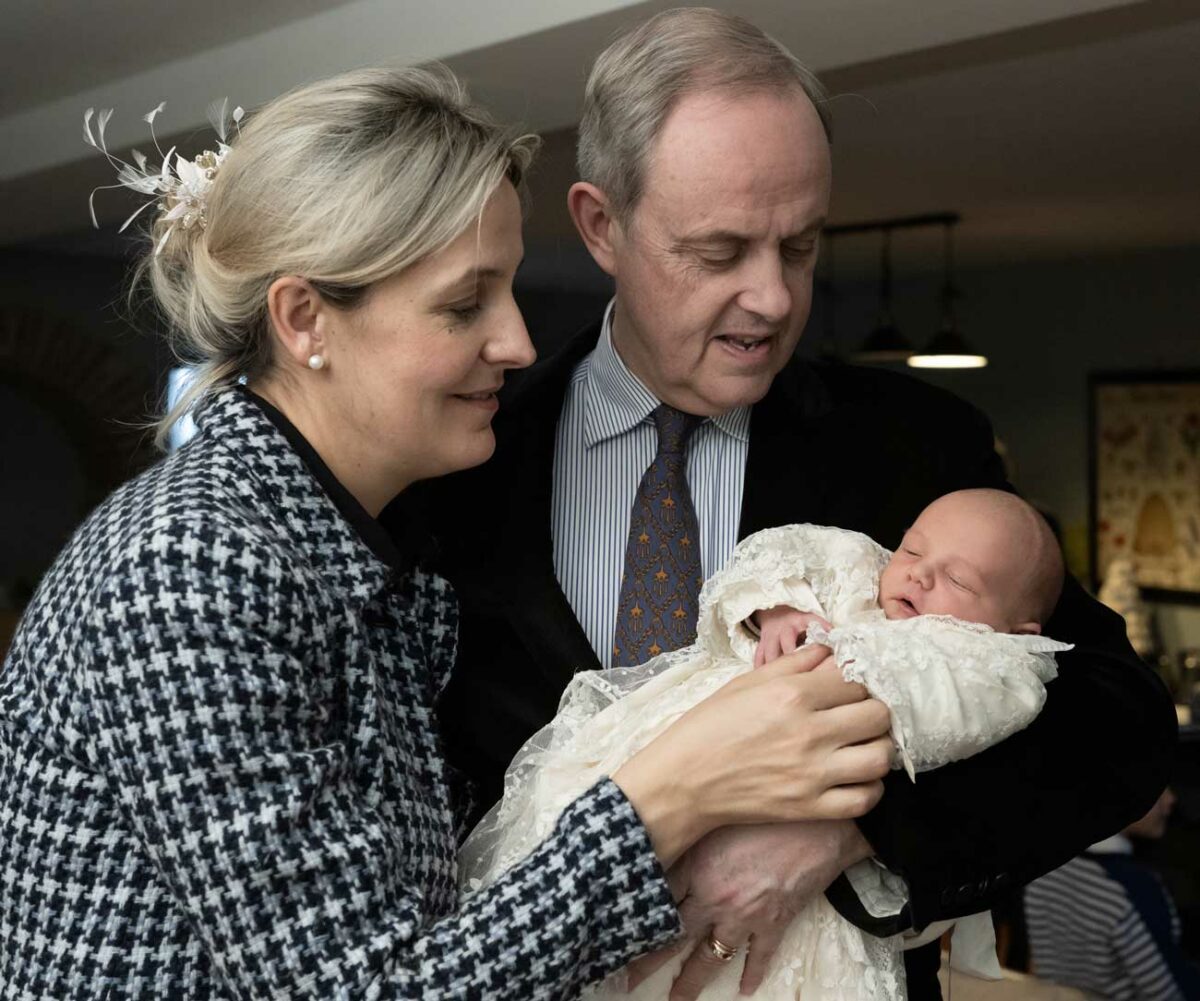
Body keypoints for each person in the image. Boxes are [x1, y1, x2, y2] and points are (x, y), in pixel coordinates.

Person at [0, 66, 899, 999]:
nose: (518, 343)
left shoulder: (373, 547)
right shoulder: (189, 570)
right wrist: (675, 785)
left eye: (508, 290)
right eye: (465, 304)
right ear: (305, 320)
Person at [390, 8, 1177, 999]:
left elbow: (1117, 717)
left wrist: (851, 829)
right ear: (601, 225)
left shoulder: (916, 443)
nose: (771, 298)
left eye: (799, 247)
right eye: (720, 252)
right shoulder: (458, 464)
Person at [460, 488, 1072, 999]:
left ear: (1017, 630)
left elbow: (962, 710)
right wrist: (779, 609)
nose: (919, 571)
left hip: (804, 872)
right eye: (913, 547)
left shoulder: (994, 663)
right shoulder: (861, 568)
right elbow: (775, 552)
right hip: (650, 762)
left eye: (958, 579)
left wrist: (857, 668)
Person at [1025, 789, 1200, 1000]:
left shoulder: (1044, 867)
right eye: (1158, 787)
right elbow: (1169, 993)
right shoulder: (1135, 890)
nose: (1171, 799)